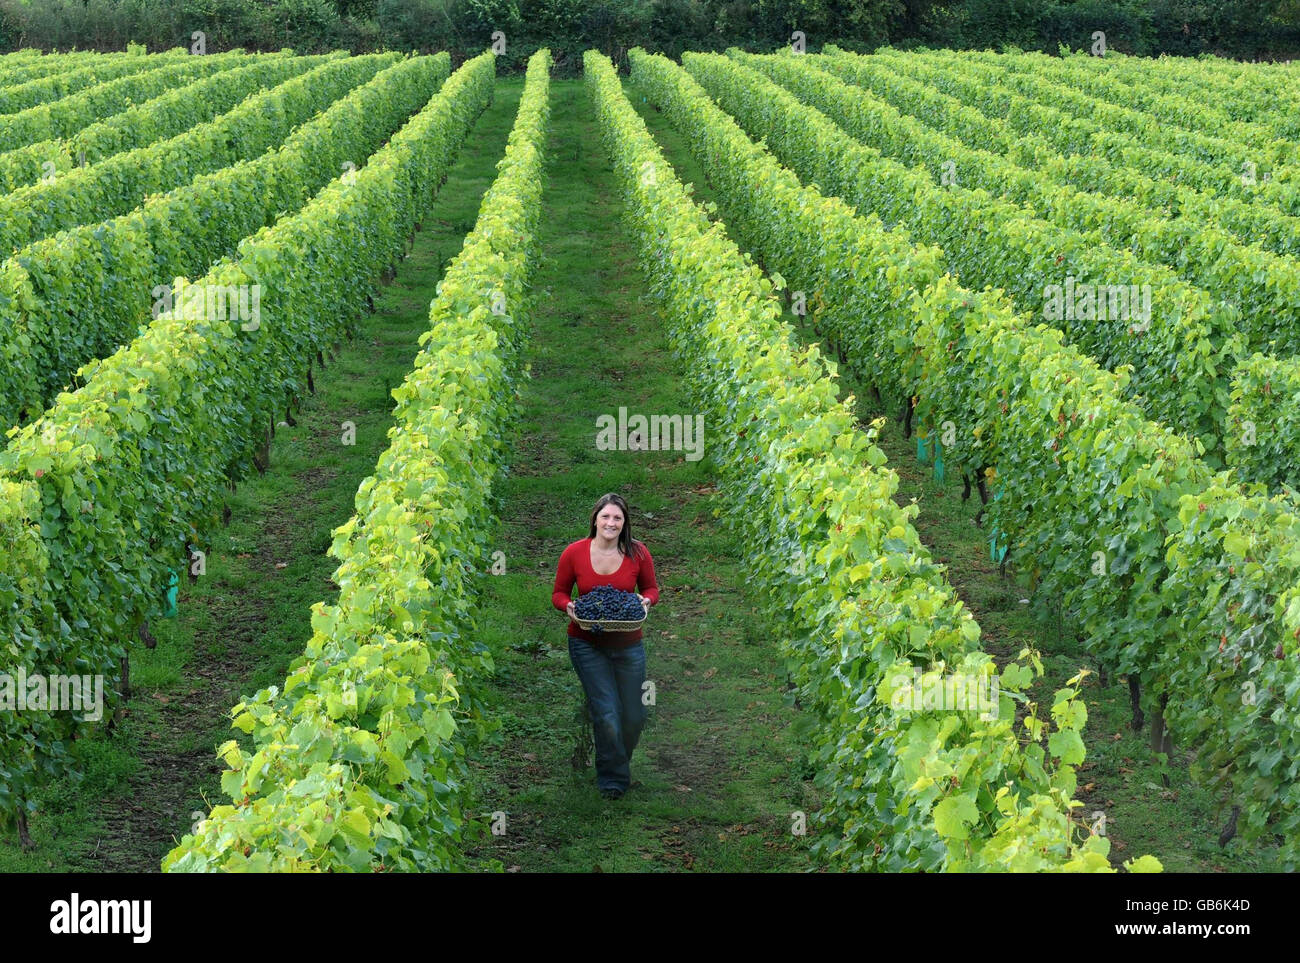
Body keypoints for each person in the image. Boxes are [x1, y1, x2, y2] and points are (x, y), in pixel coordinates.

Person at [552, 493, 659, 800]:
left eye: (617, 518)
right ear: (595, 519)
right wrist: (570, 606)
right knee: (608, 712)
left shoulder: (638, 553)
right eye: (606, 517)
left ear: (624, 524)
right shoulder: (574, 553)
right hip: (587, 643)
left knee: (634, 715)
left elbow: (651, 588)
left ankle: (615, 759)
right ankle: (613, 781)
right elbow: (558, 593)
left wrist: (646, 601)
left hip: (628, 645)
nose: (611, 523)